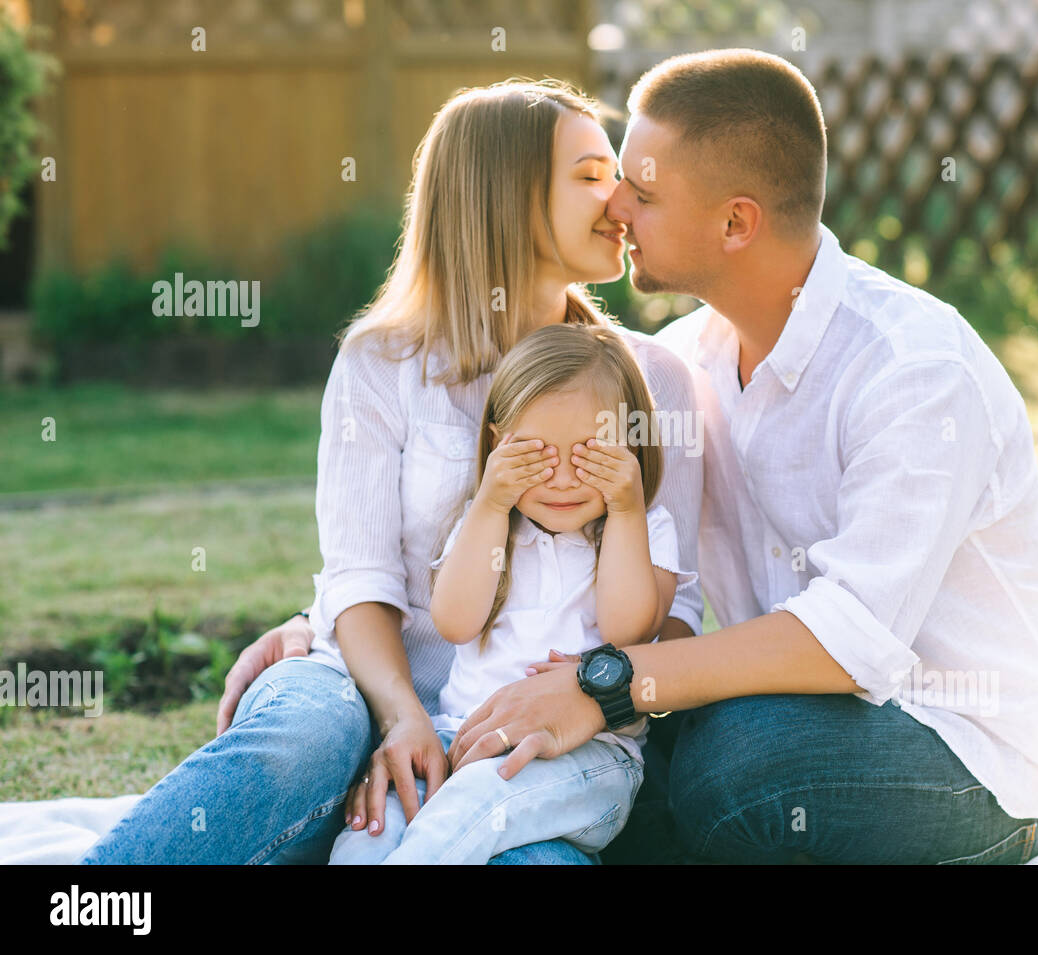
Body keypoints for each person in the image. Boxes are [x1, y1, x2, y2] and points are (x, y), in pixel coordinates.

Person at [226, 48, 1038, 865]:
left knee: (731, 762)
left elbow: (852, 639)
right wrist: (326, 618)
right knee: (618, 751)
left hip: (974, 749)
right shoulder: (681, 368)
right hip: (813, 710)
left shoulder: (913, 369)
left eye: (639, 189)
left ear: (734, 221)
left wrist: (605, 685)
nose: (615, 207)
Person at [80, 79, 702, 865]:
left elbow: (677, 610)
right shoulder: (384, 361)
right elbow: (361, 578)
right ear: (501, 195)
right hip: (359, 677)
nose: (620, 197)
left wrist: (591, 691)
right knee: (297, 745)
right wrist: (404, 715)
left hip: (531, 719)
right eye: (588, 175)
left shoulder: (654, 380)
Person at [330, 323, 694, 864]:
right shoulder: (490, 527)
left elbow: (627, 631)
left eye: (592, 455)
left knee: (471, 810)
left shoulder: (645, 529)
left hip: (589, 759)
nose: (565, 479)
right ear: (500, 446)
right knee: (369, 839)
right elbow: (455, 621)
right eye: (538, 456)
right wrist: (492, 504)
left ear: (631, 447)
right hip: (462, 741)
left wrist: (624, 507)